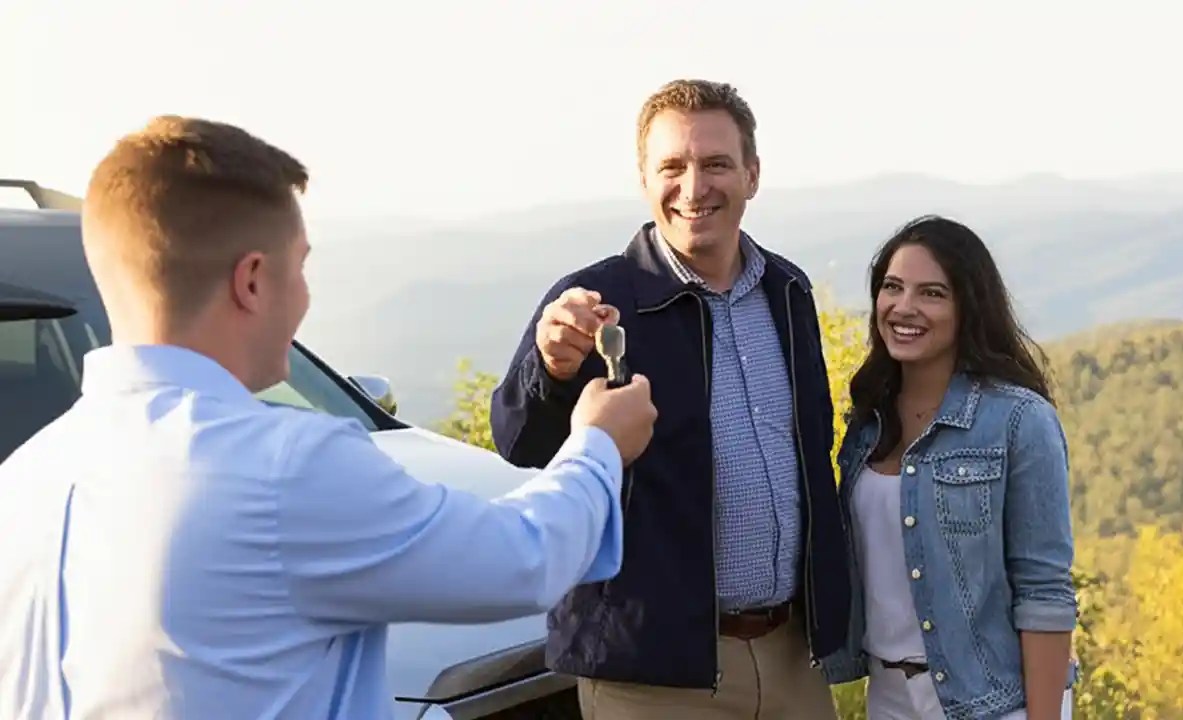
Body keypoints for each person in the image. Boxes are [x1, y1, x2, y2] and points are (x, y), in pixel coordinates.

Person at [0, 116, 658, 720]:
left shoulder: (25, 479)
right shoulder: (284, 466)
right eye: (301, 268)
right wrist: (598, 443)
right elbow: (527, 557)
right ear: (252, 280)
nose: (307, 295)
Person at [490, 79, 850, 719]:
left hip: (794, 657)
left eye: (715, 164)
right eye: (672, 167)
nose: (693, 188)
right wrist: (547, 367)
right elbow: (519, 444)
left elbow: (811, 458)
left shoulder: (787, 292)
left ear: (753, 174)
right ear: (644, 179)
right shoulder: (593, 304)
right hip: (654, 678)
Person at [818, 216, 1077, 719]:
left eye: (932, 293)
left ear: (968, 308)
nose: (904, 307)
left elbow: (1045, 592)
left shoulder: (1019, 421)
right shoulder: (868, 421)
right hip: (889, 698)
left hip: (997, 704)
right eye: (892, 287)